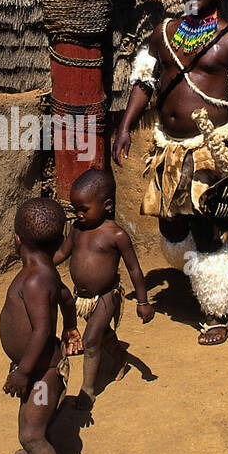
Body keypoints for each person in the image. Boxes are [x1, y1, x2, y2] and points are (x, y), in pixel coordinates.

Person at [112, 0, 228, 346]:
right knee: (170, 225)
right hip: (168, 147)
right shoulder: (163, 33)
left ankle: (217, 313)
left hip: (211, 147)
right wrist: (126, 126)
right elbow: (143, 83)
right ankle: (198, 273)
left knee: (205, 226)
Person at [0, 197, 78, 454]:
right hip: (36, 368)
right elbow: (66, 298)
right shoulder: (46, 273)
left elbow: (43, 330)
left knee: (30, 433)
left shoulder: (33, 279)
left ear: (16, 239)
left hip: (42, 372)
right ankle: (38, 442)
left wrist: (23, 372)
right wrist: (71, 326)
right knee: (32, 420)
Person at [53, 168, 153, 408]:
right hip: (83, 299)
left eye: (84, 209)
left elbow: (134, 270)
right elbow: (63, 252)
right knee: (102, 334)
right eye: (75, 209)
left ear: (107, 205)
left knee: (90, 340)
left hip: (108, 296)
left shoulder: (116, 235)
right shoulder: (77, 229)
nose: (78, 214)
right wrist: (40, 263)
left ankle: (87, 390)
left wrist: (143, 302)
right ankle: (120, 358)